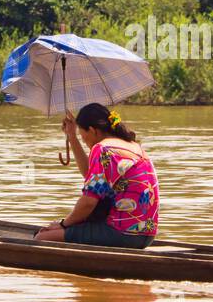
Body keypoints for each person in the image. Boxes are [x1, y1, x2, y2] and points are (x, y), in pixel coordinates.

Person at [36, 103, 159, 248]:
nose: (85, 142)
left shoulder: (102, 149)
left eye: (83, 137)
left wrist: (63, 224)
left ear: (93, 130)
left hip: (121, 233)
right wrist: (72, 136)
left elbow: (88, 203)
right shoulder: (133, 146)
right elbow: (90, 174)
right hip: (146, 234)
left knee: (42, 237)